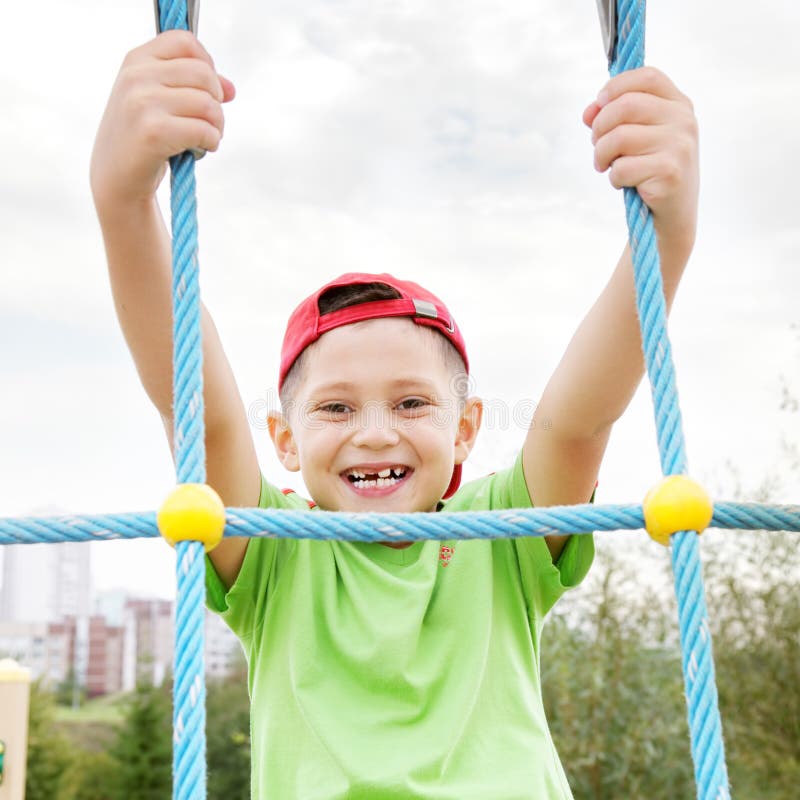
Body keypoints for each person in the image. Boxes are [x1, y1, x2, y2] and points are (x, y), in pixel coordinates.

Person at [90, 28, 699, 800]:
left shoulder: (502, 532)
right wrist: (121, 203)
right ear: (283, 440)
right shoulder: (275, 553)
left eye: (412, 403)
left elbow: (575, 422)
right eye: (336, 407)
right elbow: (198, 409)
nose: (375, 432)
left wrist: (669, 232)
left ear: (465, 429)